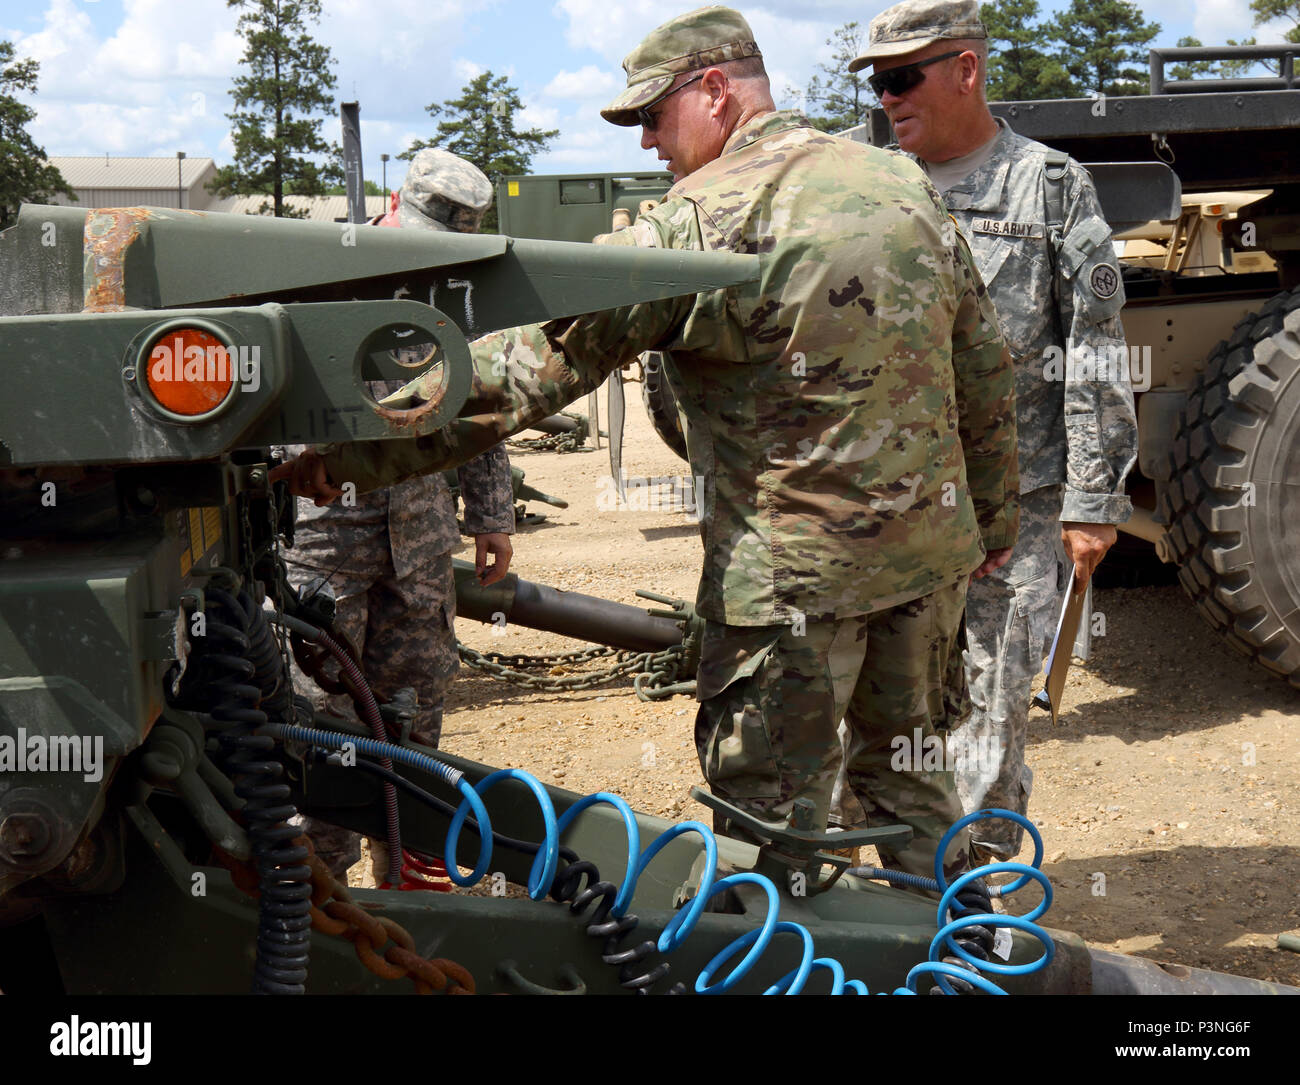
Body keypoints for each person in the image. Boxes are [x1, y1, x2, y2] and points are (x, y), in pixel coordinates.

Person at [276, 5, 1020, 882]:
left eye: (653, 118)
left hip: (788, 597)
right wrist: (994, 522)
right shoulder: (904, 187)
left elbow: (533, 367)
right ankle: (948, 969)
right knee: (915, 801)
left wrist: (338, 455)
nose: (646, 146)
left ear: (714, 92)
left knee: (773, 841)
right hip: (928, 573)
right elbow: (985, 370)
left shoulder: (698, 223)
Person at [849, 0, 1138, 864]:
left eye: (904, 78)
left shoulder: (1047, 185)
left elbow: (1092, 349)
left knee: (987, 732)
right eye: (877, 81)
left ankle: (977, 924)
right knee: (877, 726)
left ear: (967, 71)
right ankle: (887, 918)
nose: (887, 98)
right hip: (890, 516)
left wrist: (1092, 500)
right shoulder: (870, 186)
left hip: (1015, 516)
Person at [285, 148, 516, 882]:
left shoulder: (456, 299)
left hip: (416, 546)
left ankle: (413, 873)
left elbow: (476, 403)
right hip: (325, 548)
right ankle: (325, 896)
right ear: (392, 201)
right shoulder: (321, 276)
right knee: (322, 719)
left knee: (416, 715)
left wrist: (492, 514)